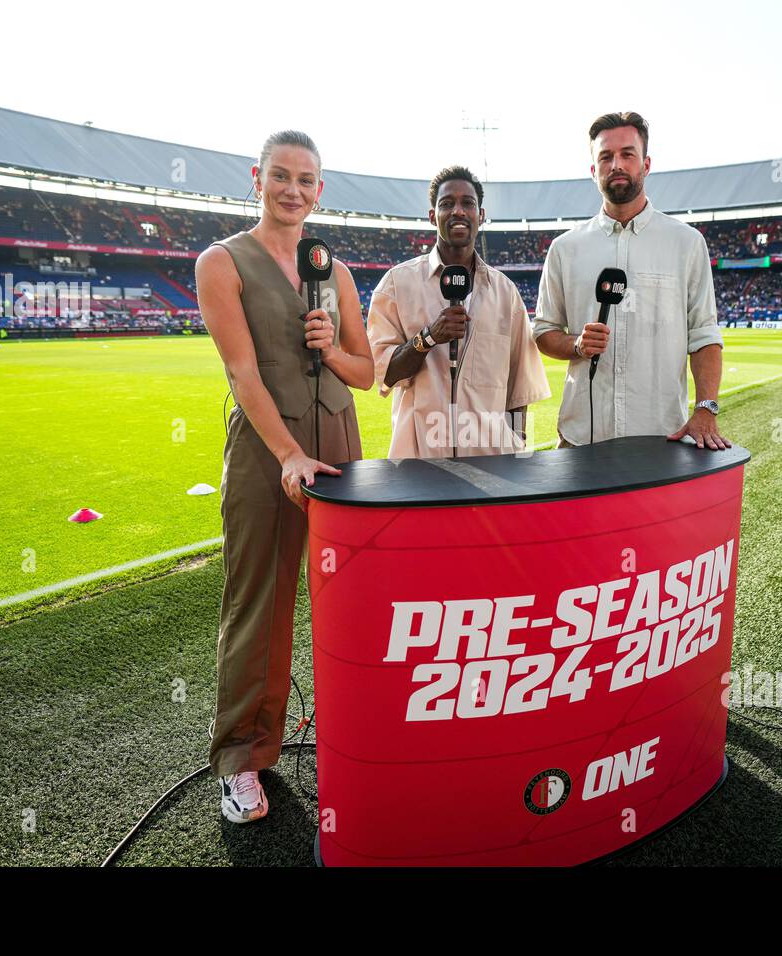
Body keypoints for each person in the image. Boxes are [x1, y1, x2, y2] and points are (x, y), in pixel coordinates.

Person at [195, 130, 374, 824]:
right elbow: (242, 373)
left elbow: (368, 373)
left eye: (305, 179)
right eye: (281, 175)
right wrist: (288, 456)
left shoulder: (336, 270)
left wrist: (332, 350)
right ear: (257, 178)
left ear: (319, 191)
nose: (292, 189)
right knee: (259, 604)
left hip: (341, 440)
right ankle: (243, 759)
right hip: (268, 454)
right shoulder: (223, 261)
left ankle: (354, 735)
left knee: (352, 599)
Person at [533, 111, 728, 449]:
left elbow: (704, 333)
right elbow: (544, 332)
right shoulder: (565, 248)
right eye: (605, 157)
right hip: (581, 437)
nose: (617, 164)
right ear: (594, 171)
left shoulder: (686, 242)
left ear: (646, 164)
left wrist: (706, 408)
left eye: (627, 154)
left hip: (661, 436)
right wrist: (576, 344)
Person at [367, 166, 549, 458]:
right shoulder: (395, 285)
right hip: (419, 462)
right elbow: (385, 374)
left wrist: (517, 446)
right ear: (432, 216)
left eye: (468, 203)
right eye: (446, 204)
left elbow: (519, 390)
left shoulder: (507, 294)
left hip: (490, 462)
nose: (458, 211)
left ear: (481, 215)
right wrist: (426, 338)